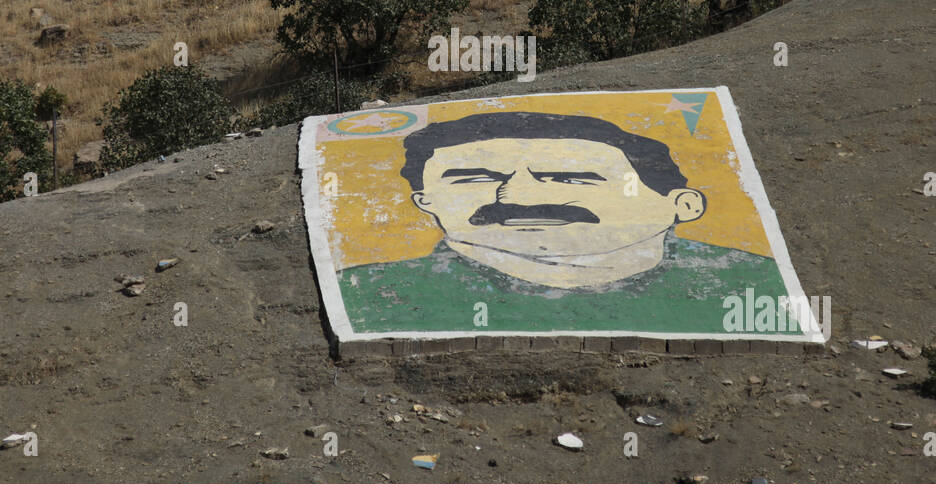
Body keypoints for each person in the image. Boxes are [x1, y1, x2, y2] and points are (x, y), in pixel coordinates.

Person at [337, 111, 798, 334]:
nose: (515, 197)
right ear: (424, 201)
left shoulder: (752, 287)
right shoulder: (367, 296)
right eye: (474, 177)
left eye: (570, 177)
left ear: (682, 205)